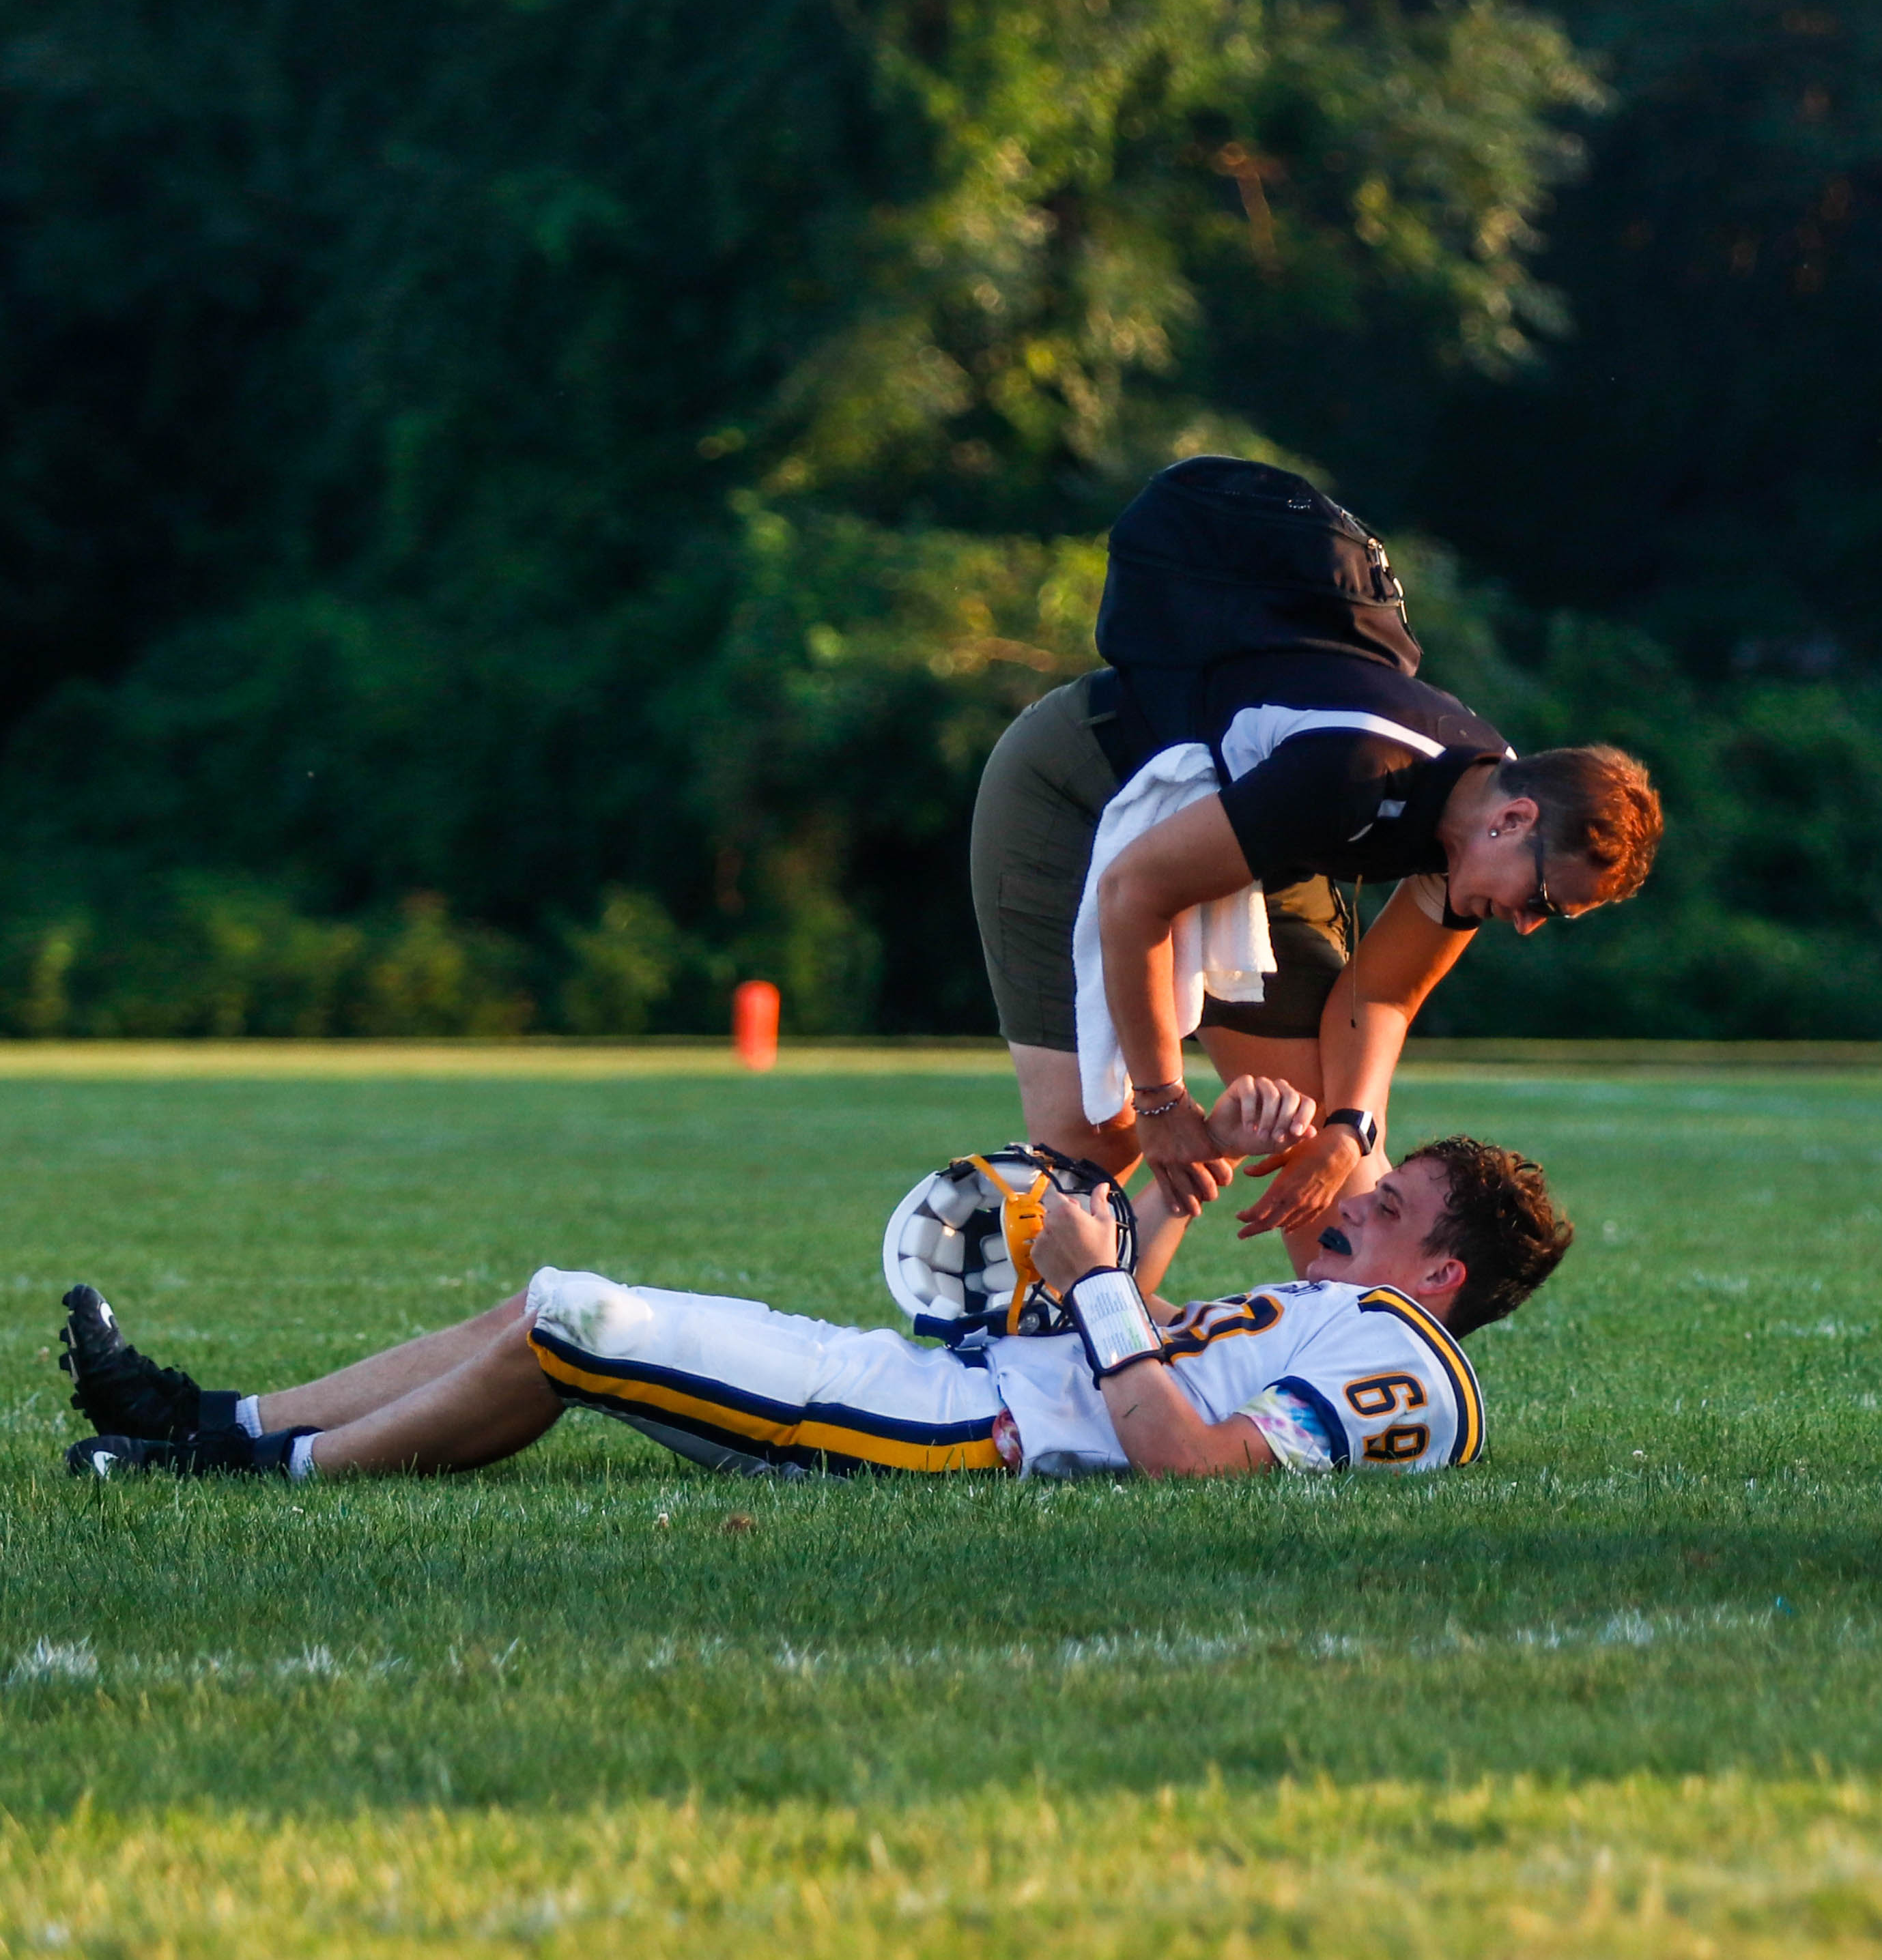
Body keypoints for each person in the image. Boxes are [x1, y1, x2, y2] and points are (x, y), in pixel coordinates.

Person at [57, 1123, 1569, 1484]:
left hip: (961, 1431)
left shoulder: (1409, 1369)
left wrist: (1098, 1276)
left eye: (1388, 1205)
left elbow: (1183, 1459)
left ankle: (257, 1456)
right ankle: (197, 1416)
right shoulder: (1338, 1307)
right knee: (553, 1299)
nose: (1353, 1194)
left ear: (1441, 1275)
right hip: (941, 1375)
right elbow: (1135, 1357)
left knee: (575, 1320)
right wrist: (1173, 1183)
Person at [969, 473, 1662, 1239]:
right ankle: (1066, 1340)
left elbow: (1382, 996)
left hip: (1255, 829)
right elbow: (1135, 891)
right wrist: (1162, 1098)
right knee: (1098, 1138)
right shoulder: (1356, 774)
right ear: (1516, 817)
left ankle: (1349, 1352)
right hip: (1088, 781)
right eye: (1545, 900)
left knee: (1321, 1154)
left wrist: (1349, 1127)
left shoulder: (1473, 814)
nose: (1528, 924)